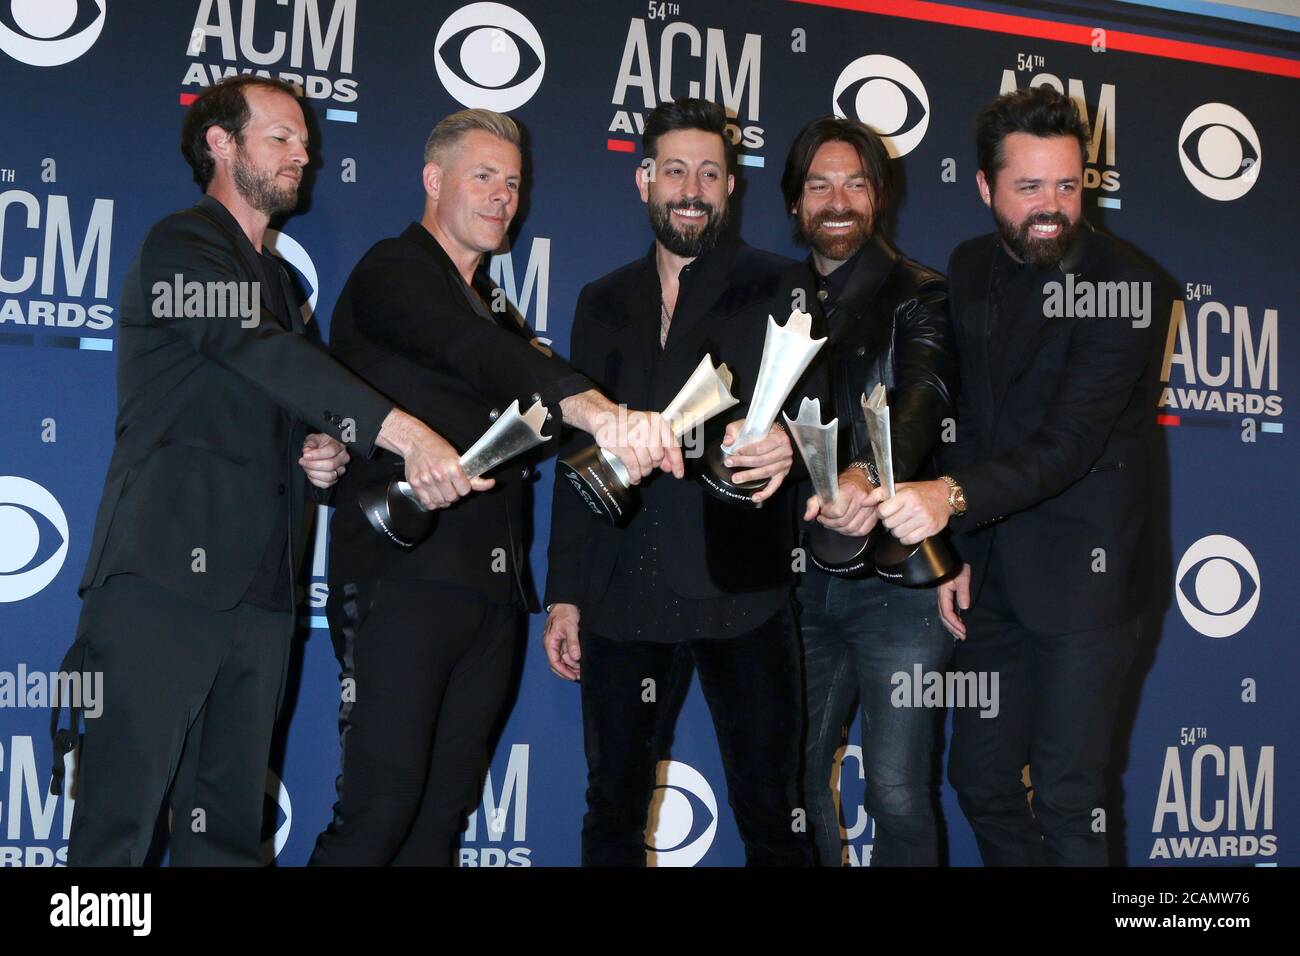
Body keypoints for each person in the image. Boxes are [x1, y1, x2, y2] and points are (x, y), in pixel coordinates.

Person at [57, 76, 477, 866]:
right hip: (159, 583)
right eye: (280, 137)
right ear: (219, 143)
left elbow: (273, 397)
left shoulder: (285, 287)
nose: (303, 155)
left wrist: (315, 452)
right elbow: (251, 348)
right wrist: (401, 432)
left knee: (228, 841)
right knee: (115, 831)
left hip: (261, 597)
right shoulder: (180, 244)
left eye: (306, 143)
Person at [311, 109, 680, 866]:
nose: (502, 196)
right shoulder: (395, 271)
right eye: (483, 177)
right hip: (401, 584)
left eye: (513, 183)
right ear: (433, 179)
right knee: (379, 814)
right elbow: (469, 351)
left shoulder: (502, 312)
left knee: (439, 825)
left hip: (493, 596)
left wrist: (633, 443)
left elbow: (516, 383)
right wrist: (601, 413)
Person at [871, 86, 1166, 865]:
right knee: (980, 777)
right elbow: (967, 415)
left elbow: (1066, 445)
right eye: (1030, 186)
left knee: (1071, 795)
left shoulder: (1129, 286)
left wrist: (948, 501)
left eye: (1068, 186)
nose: (1053, 207)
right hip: (994, 576)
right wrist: (953, 549)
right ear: (984, 188)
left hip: (1088, 583)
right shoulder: (968, 267)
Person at [542, 97, 816, 866]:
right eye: (674, 171)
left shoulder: (779, 284)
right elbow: (574, 446)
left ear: (730, 187)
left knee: (774, 810)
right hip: (621, 593)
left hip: (743, 592)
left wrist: (793, 443)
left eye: (708, 172)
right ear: (643, 181)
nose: (690, 188)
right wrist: (566, 590)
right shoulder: (600, 299)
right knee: (612, 812)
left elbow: (824, 413)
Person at [783, 117, 958, 866]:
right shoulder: (770, 300)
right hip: (792, 584)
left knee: (894, 792)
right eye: (819, 184)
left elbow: (922, 397)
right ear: (795, 203)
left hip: (898, 586)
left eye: (855, 182)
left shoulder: (921, 293)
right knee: (792, 783)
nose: (838, 199)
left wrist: (865, 473)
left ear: (879, 197)